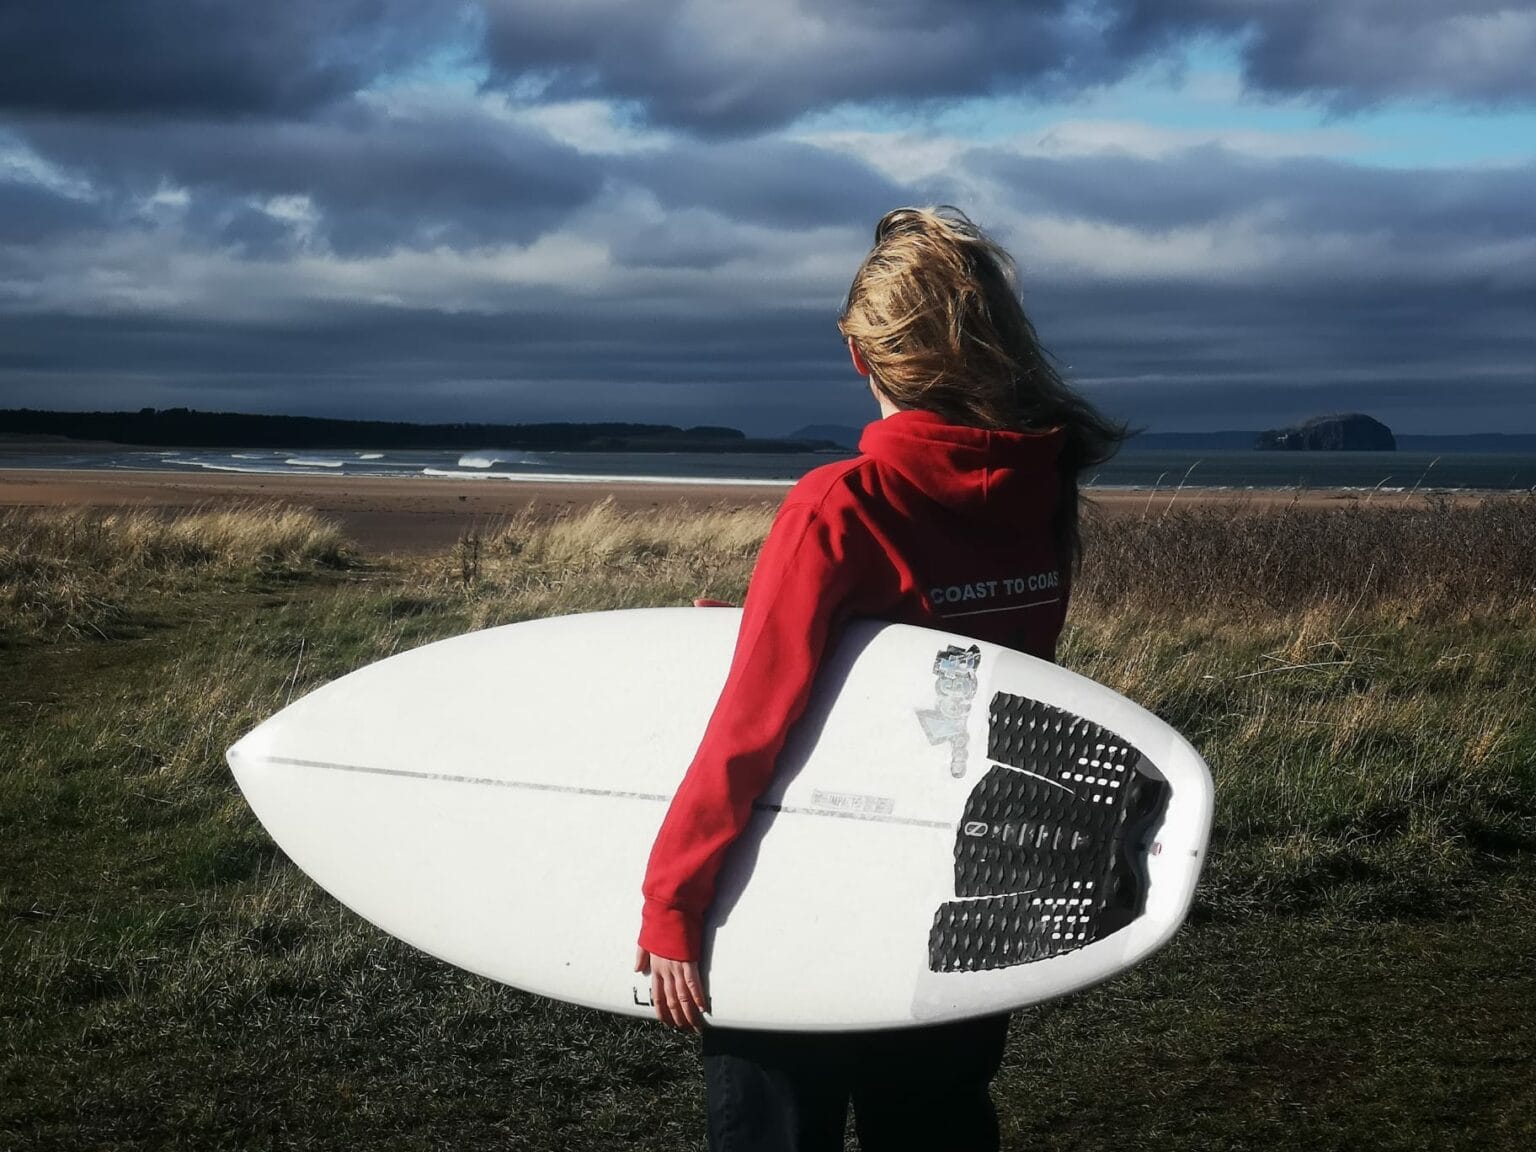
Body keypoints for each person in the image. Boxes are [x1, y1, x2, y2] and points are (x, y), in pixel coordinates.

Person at [633, 205, 1126, 1151]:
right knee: (935, 1126)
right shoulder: (1042, 493)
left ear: (864, 358)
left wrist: (675, 901)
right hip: (964, 878)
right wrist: (767, 628)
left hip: (804, 885)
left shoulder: (841, 505)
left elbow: (753, 726)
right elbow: (951, 662)